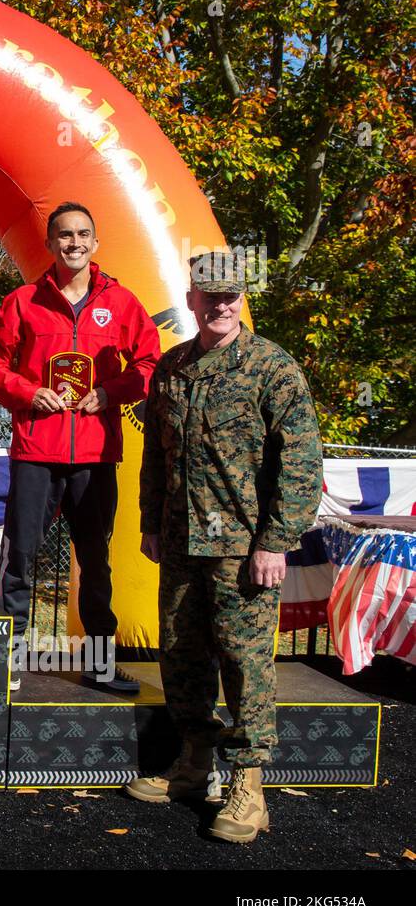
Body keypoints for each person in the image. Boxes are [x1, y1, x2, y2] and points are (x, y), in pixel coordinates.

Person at [126, 252, 322, 844]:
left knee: (244, 662)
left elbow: (301, 461)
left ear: (243, 297)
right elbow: (157, 456)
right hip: (182, 540)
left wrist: (277, 542)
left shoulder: (272, 367)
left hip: (243, 547)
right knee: (182, 653)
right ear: (192, 300)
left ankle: (249, 786)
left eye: (231, 295)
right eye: (210, 296)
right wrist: (151, 523)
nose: (222, 306)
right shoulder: (172, 368)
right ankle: (191, 763)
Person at [0, 202, 161, 691]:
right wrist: (26, 390)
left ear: (95, 242)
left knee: (95, 560)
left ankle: (100, 663)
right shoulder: (22, 301)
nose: (74, 242)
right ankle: (12, 659)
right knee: (21, 556)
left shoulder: (120, 302)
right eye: (64, 235)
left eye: (83, 234)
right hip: (37, 449)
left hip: (96, 455)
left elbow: (148, 363)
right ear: (49, 244)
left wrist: (110, 392)